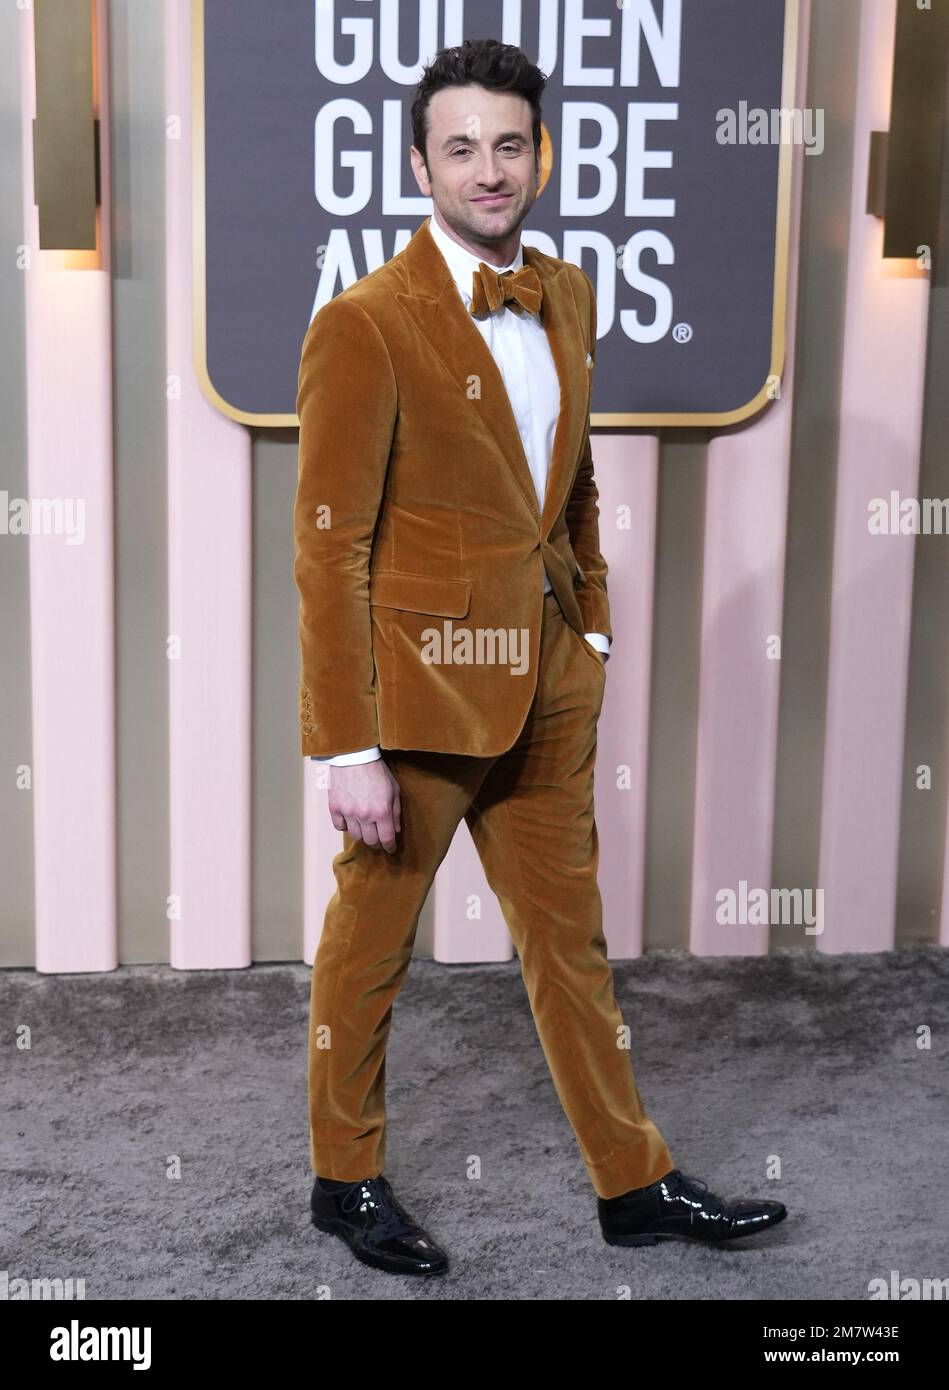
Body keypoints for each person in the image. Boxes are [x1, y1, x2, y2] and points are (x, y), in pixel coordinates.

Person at [293, 38, 786, 1277]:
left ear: (540, 153)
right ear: (419, 164)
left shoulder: (565, 292)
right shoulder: (363, 324)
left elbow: (565, 486)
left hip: (550, 683)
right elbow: (328, 549)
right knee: (370, 950)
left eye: (509, 144)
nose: (488, 169)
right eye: (460, 147)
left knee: (571, 944)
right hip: (416, 702)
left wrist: (596, 627)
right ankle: (344, 1183)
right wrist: (345, 744)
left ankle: (634, 1181)